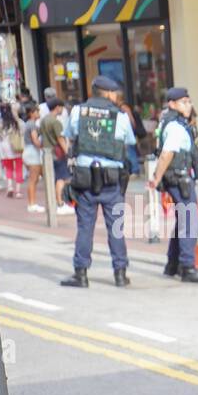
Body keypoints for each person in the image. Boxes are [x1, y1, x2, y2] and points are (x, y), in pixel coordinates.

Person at [59, 74, 137, 288]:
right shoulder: (119, 116)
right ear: (109, 93)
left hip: (84, 178)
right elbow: (129, 140)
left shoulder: (78, 111)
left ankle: (81, 274)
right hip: (112, 179)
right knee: (116, 228)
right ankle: (120, 274)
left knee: (85, 226)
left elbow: (69, 136)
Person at [149, 87, 198, 284]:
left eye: (189, 101)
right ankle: (187, 267)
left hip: (177, 177)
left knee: (183, 219)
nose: (188, 105)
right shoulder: (175, 126)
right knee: (189, 220)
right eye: (184, 102)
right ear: (172, 104)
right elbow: (167, 153)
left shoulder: (172, 122)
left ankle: (173, 264)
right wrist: (156, 178)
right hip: (179, 178)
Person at [39, 98, 72, 215]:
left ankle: (53, 203)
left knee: (53, 179)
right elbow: (60, 139)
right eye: (61, 107)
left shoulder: (44, 120)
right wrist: (68, 153)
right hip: (57, 154)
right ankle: (60, 203)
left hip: (47, 153)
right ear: (57, 107)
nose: (62, 110)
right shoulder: (55, 122)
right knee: (61, 178)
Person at [0, 100, 25, 200]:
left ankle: (9, 186)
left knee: (8, 168)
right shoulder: (16, 121)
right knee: (18, 168)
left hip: (4, 147)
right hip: (16, 147)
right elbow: (23, 130)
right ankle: (18, 190)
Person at [22, 103, 45, 213]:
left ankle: (32, 203)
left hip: (29, 152)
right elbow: (35, 140)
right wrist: (43, 147)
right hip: (32, 152)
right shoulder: (32, 125)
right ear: (31, 113)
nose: (38, 113)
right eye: (36, 111)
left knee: (34, 179)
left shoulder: (29, 124)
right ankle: (32, 204)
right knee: (33, 179)